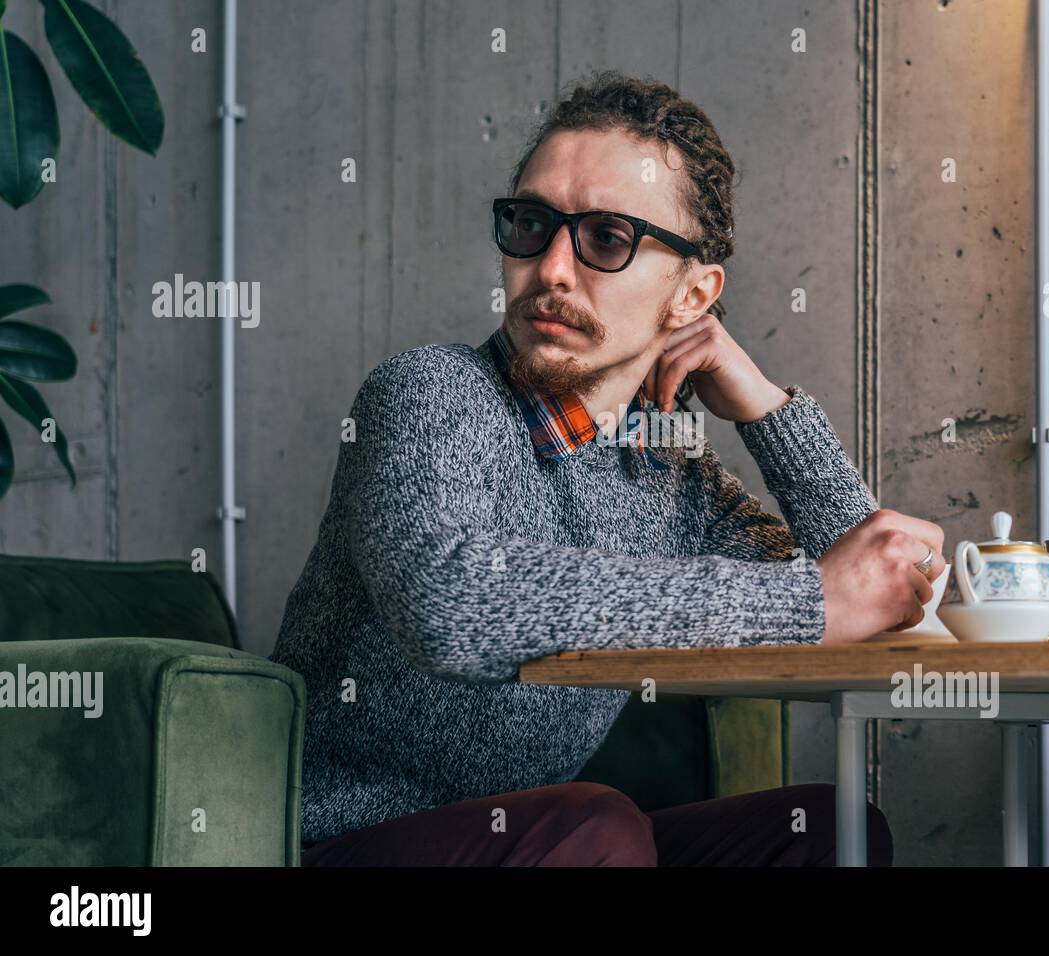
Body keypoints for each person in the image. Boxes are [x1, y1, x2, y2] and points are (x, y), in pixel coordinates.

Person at [271, 70, 944, 867]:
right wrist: (812, 600)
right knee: (596, 828)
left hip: (543, 843)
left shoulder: (670, 474)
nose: (551, 269)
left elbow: (881, 590)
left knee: (831, 834)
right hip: (337, 844)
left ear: (693, 295)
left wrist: (767, 410)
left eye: (605, 238)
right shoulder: (430, 391)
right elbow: (451, 599)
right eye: (531, 223)